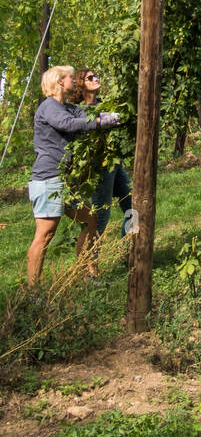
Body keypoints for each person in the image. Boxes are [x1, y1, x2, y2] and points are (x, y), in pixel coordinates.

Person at [28, 65, 120, 286]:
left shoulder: (67, 107)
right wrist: (99, 123)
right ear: (60, 82)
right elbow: (68, 124)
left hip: (65, 181)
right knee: (45, 235)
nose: (74, 81)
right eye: (71, 77)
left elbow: (84, 115)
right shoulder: (49, 107)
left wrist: (110, 115)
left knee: (90, 219)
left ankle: (84, 274)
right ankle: (32, 292)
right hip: (49, 178)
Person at [70, 67, 134, 241]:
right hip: (99, 168)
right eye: (90, 77)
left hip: (115, 164)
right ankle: (90, 261)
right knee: (100, 216)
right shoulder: (79, 110)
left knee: (133, 207)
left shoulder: (105, 103)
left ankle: (128, 249)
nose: (96, 78)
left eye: (96, 75)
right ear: (81, 84)